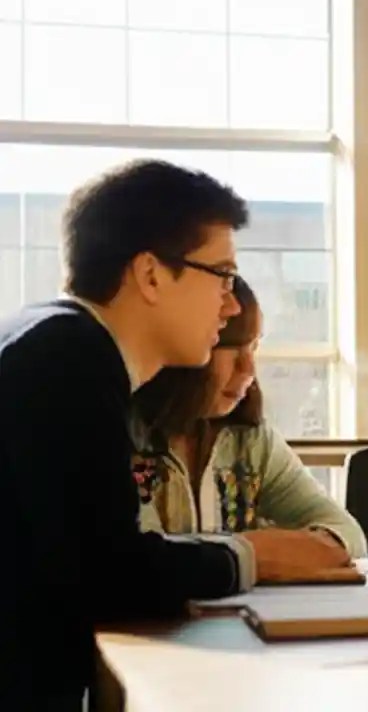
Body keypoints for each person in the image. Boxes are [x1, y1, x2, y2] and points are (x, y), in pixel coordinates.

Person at [0, 160, 342, 708]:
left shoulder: (54, 340)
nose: (231, 303)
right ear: (151, 275)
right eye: (223, 276)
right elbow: (110, 576)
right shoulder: (67, 359)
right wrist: (251, 555)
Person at [131, 277, 366, 558]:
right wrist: (256, 552)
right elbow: (143, 558)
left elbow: (347, 534)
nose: (249, 369)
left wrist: (247, 554)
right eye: (232, 348)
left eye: (254, 348)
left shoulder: (252, 443)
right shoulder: (123, 438)